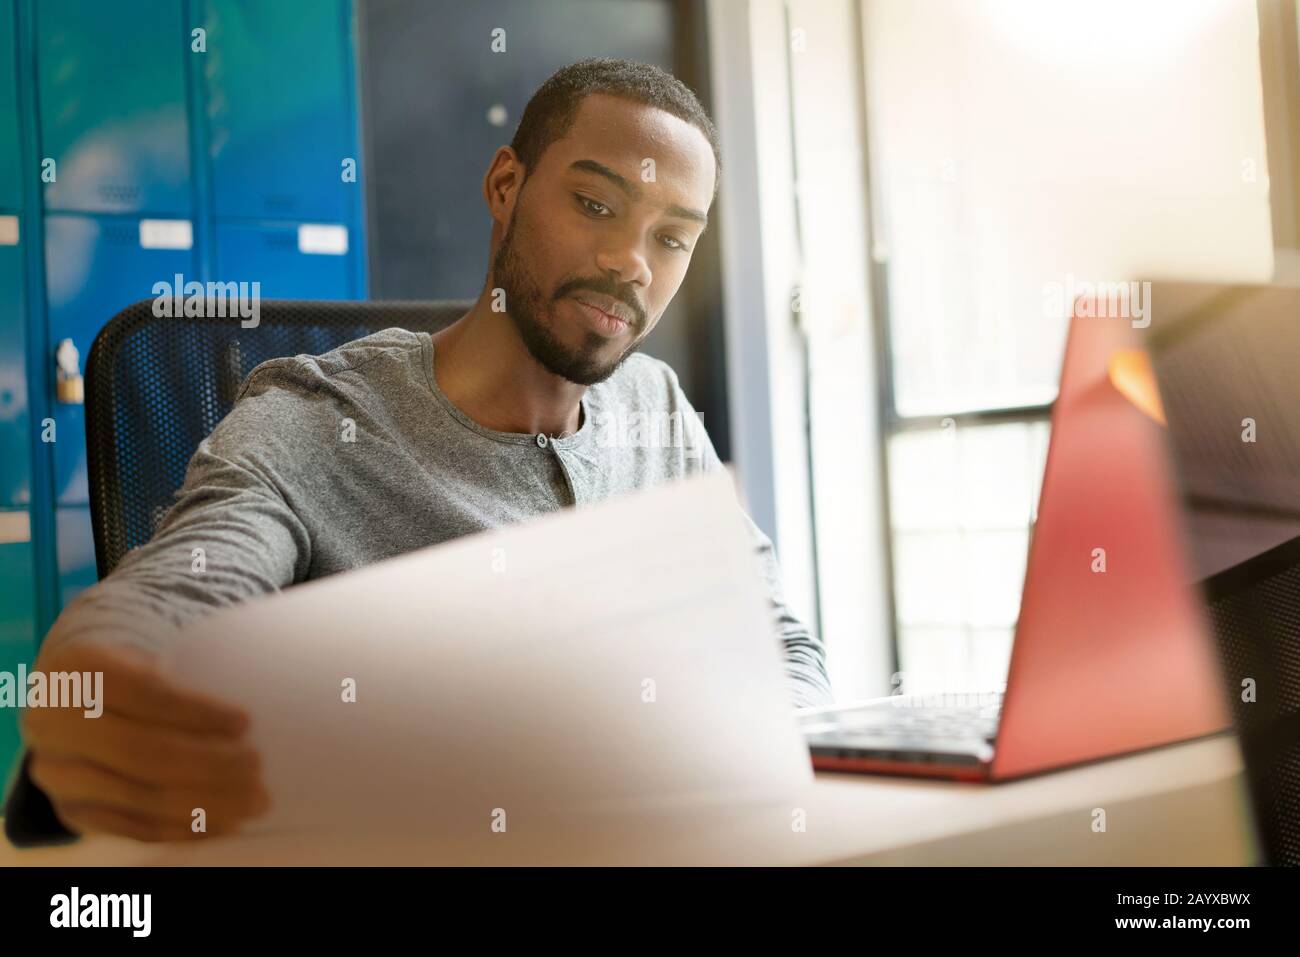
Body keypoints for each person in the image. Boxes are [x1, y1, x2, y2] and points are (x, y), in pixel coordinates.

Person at [6, 57, 831, 846]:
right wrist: (97, 667)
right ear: (505, 186)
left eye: (673, 239)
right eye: (596, 205)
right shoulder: (315, 415)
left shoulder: (656, 404)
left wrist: (756, 773)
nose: (631, 265)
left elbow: (780, 642)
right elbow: (176, 584)